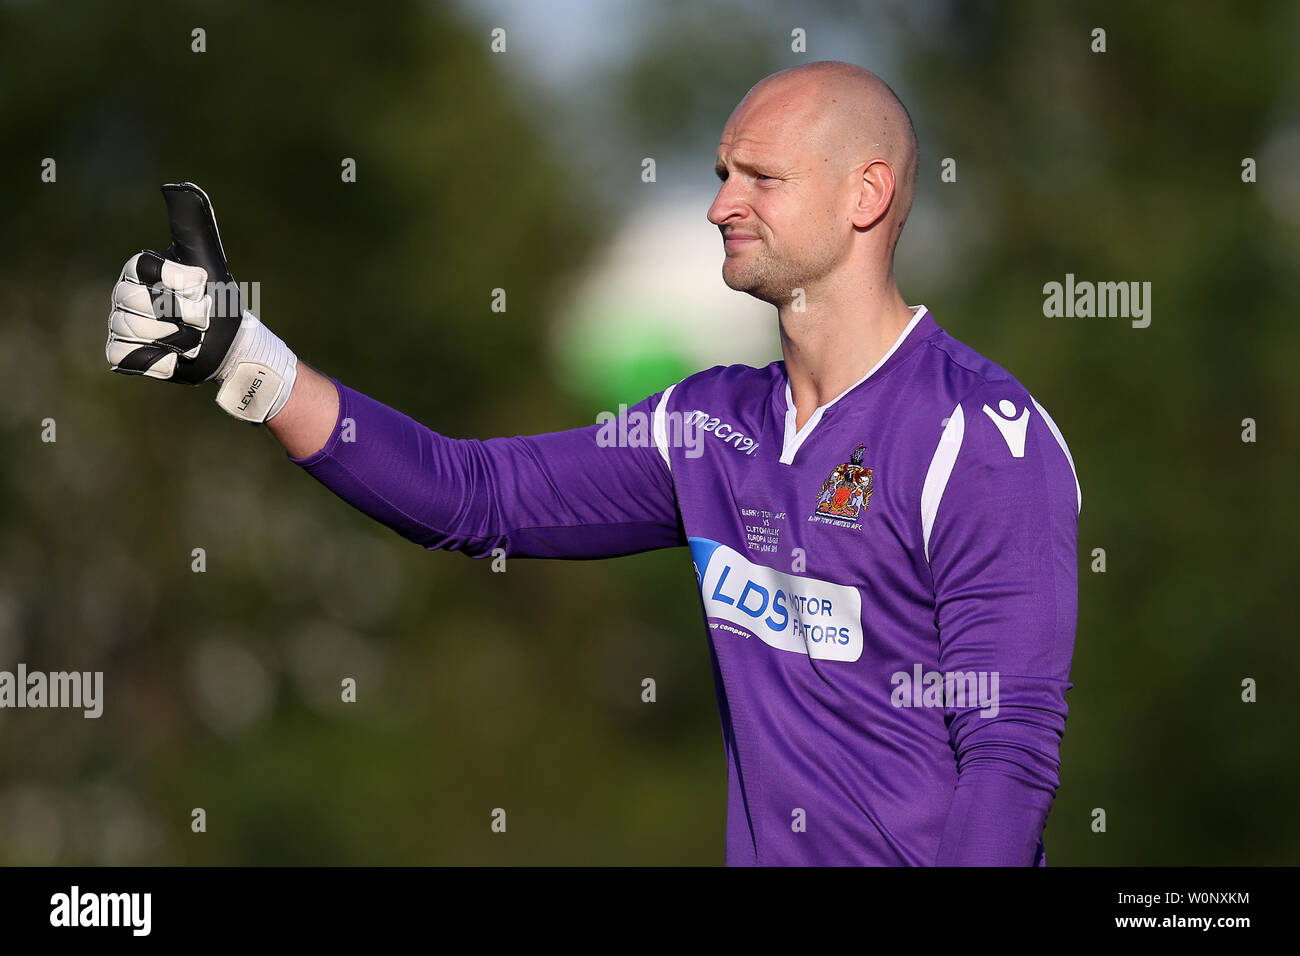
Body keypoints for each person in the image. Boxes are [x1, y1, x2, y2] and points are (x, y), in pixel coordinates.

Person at [105, 60, 1080, 866]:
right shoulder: (707, 425)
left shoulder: (978, 434)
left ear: (864, 194)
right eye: (718, 172)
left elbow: (1009, 752)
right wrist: (251, 360)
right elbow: (469, 494)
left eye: (757, 178)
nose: (717, 205)